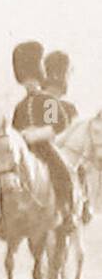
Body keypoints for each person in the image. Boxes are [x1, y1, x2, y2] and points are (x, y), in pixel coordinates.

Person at [12, 41, 78, 228]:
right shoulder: (21, 105)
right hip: (25, 150)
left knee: (63, 171)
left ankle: (67, 211)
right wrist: (21, 136)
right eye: (26, 82)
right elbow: (15, 128)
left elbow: (56, 125)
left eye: (32, 81)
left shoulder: (47, 101)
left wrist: (36, 134)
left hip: (44, 146)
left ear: (40, 80)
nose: (29, 85)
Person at [44, 49, 90, 222]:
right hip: (52, 148)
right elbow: (52, 131)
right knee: (75, 169)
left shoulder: (67, 106)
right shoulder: (53, 103)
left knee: (81, 166)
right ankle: (75, 207)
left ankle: (83, 205)